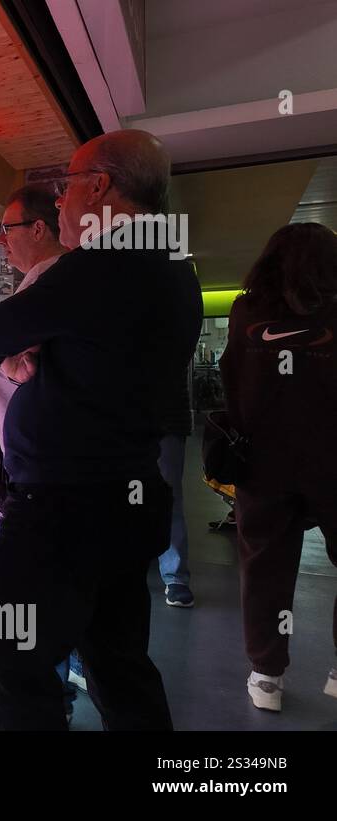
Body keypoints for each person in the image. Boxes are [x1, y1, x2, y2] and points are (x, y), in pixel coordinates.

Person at [0, 129, 202, 730]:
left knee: (16, 670)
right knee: (118, 664)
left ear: (99, 186)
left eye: (67, 187)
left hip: (64, 510)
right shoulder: (173, 266)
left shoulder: (104, 263)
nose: (61, 202)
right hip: (126, 496)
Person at [0, 185, 81, 721]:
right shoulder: (54, 282)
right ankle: (59, 679)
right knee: (69, 617)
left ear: (38, 228)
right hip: (63, 476)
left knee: (16, 644)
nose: (1, 243)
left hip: (45, 481)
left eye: (7, 230)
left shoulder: (52, 282)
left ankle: (46, 693)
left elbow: (7, 355)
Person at [219, 222, 337, 711]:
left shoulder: (246, 311)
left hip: (262, 463)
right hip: (332, 459)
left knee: (264, 568)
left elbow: (228, 382)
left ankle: (267, 678)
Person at [158, 359, 195, 607]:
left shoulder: (175, 320)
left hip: (165, 418)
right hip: (118, 417)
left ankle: (176, 577)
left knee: (168, 497)